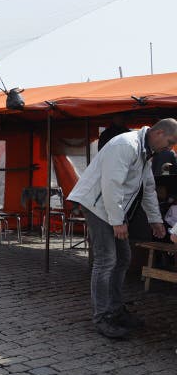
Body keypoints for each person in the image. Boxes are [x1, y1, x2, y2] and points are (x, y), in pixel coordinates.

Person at [68, 118, 177, 339]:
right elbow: (111, 185)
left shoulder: (145, 152)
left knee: (123, 258)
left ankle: (115, 309)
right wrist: (118, 221)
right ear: (158, 133)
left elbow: (147, 188)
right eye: (170, 141)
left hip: (111, 207)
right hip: (97, 206)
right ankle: (102, 317)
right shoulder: (126, 145)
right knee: (106, 260)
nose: (171, 148)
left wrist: (155, 220)